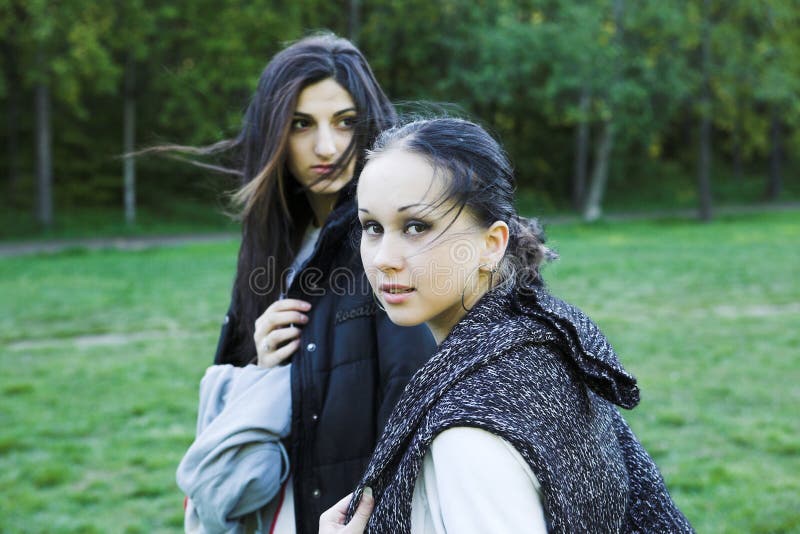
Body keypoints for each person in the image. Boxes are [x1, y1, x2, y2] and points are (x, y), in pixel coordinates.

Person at [322, 117, 693, 533]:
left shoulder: (470, 435)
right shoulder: (544, 337)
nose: (382, 257)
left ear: (491, 244)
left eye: (416, 227)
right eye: (373, 227)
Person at [171, 34, 436, 534]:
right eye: (301, 125)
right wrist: (263, 364)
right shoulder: (272, 248)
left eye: (345, 122)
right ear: (274, 134)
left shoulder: (387, 247)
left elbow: (415, 402)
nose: (326, 147)